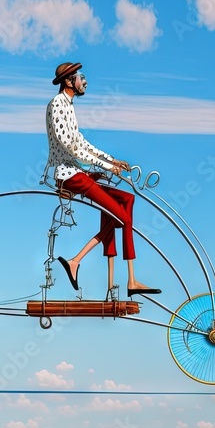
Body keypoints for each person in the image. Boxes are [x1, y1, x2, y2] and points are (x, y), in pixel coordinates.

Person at [45, 62, 160, 298]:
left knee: (126, 201)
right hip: (69, 176)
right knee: (123, 217)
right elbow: (71, 147)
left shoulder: (68, 106)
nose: (84, 81)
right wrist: (107, 166)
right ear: (69, 82)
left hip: (80, 172)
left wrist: (112, 160)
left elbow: (81, 142)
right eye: (80, 77)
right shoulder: (57, 105)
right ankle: (127, 280)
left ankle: (91, 269)